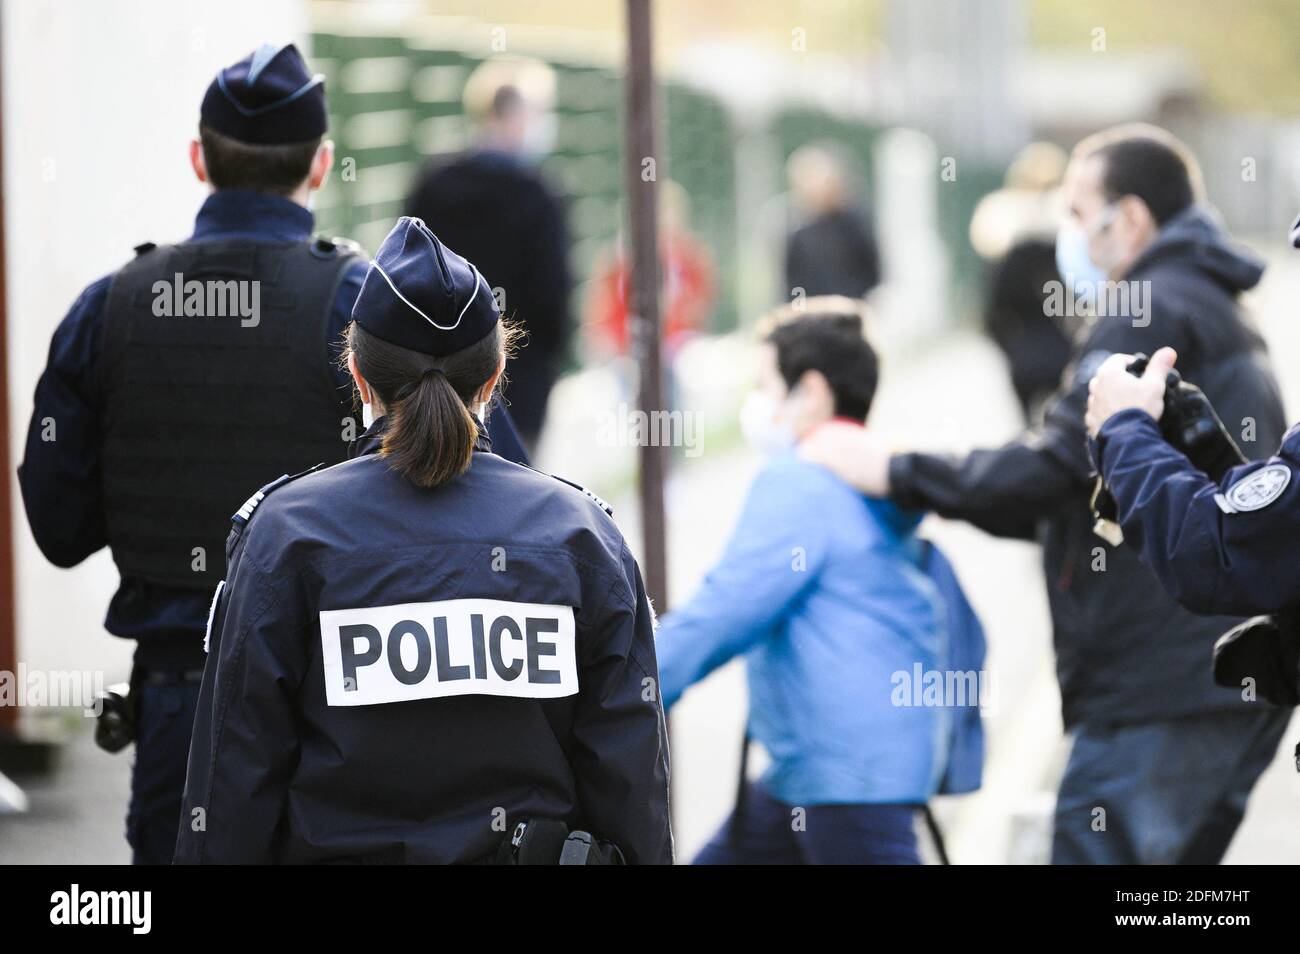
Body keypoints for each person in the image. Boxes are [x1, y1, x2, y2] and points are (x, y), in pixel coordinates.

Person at [15, 43, 528, 865]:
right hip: (352, 717)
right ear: (320, 165)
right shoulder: (374, 306)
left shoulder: (107, 308)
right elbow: (495, 501)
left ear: (199, 159)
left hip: (184, 716)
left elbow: (59, 526)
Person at [799, 124, 1290, 864]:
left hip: (1160, 681)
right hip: (1212, 675)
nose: (1065, 234)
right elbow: (1106, 496)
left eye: (1073, 211)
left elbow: (1060, 468)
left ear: (1126, 218)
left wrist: (896, 471)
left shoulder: (1147, 308)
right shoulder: (1208, 295)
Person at [174, 218, 672, 865]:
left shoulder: (288, 534)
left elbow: (234, 782)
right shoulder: (581, 536)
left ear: (358, 376)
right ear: (494, 379)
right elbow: (633, 788)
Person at [655, 297, 985, 865]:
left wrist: (623, 687)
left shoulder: (800, 483)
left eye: (765, 386)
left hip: (846, 776)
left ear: (810, 390)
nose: (756, 405)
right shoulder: (872, 475)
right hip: (821, 773)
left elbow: (728, 609)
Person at [405, 61, 571, 449]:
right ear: (516, 115)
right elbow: (554, 301)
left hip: (436, 387)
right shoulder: (539, 195)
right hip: (520, 387)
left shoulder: (434, 185)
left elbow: (404, 275)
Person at [1086, 343, 1300, 616]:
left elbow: (1218, 557)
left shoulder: (1151, 312)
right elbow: (1271, 536)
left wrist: (1125, 431)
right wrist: (1208, 459)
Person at [783, 143, 881, 301]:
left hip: (851, 312)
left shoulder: (855, 225)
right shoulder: (799, 235)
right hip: (814, 315)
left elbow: (872, 273)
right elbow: (795, 285)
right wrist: (798, 312)